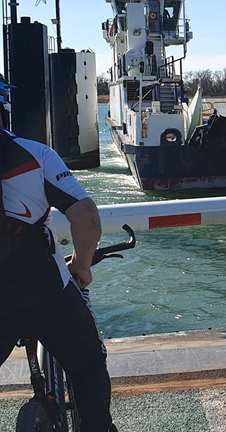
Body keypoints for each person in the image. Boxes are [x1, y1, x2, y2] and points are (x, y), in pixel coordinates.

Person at [0, 75, 116, 431]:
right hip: (43, 286)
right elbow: (86, 217)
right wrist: (82, 266)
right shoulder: (36, 155)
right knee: (88, 366)